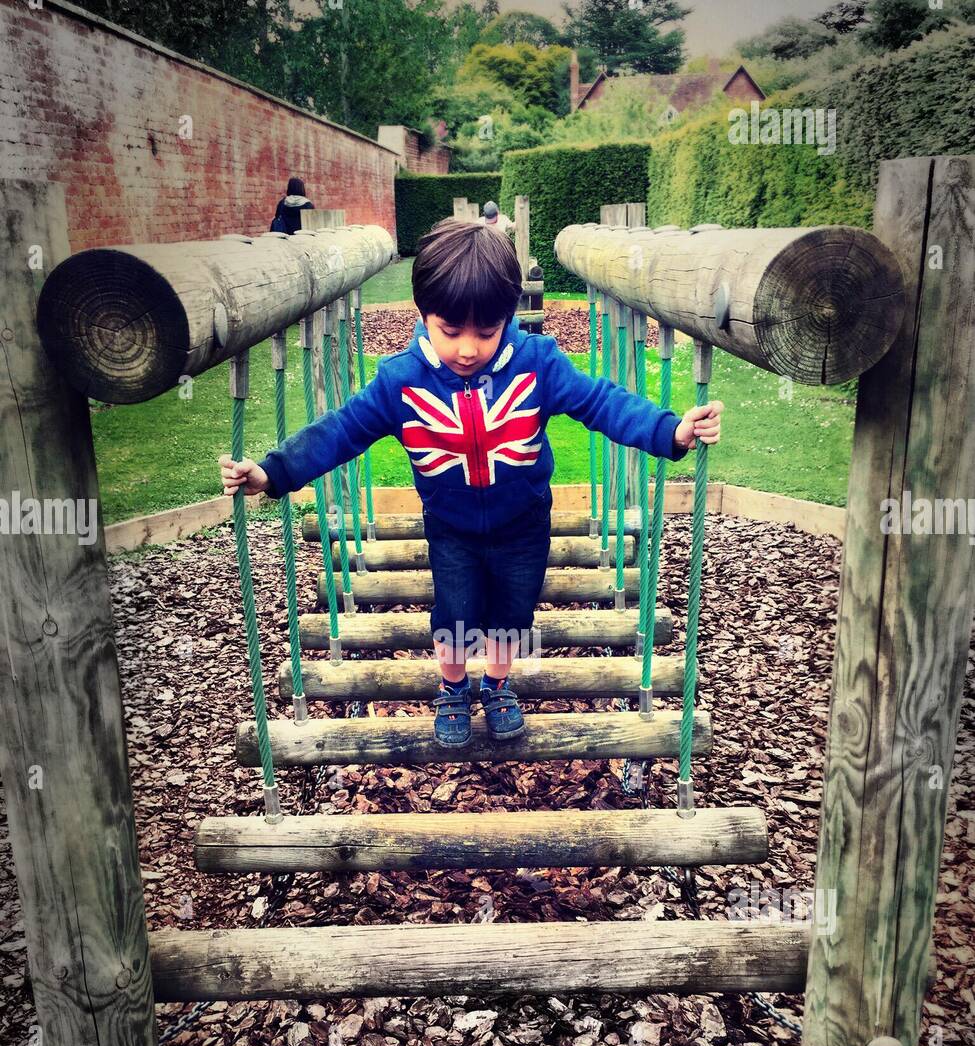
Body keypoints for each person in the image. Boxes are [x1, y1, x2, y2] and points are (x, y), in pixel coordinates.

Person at [220, 217, 723, 751]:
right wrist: (274, 473)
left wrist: (671, 430)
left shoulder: (536, 364)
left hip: (524, 523)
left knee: (512, 612)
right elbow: (341, 431)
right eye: (449, 330)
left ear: (508, 317)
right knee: (456, 613)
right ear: (423, 315)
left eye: (486, 332)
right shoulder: (400, 380)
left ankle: (497, 683)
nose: (467, 349)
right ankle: (455, 686)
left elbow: (601, 402)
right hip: (451, 527)